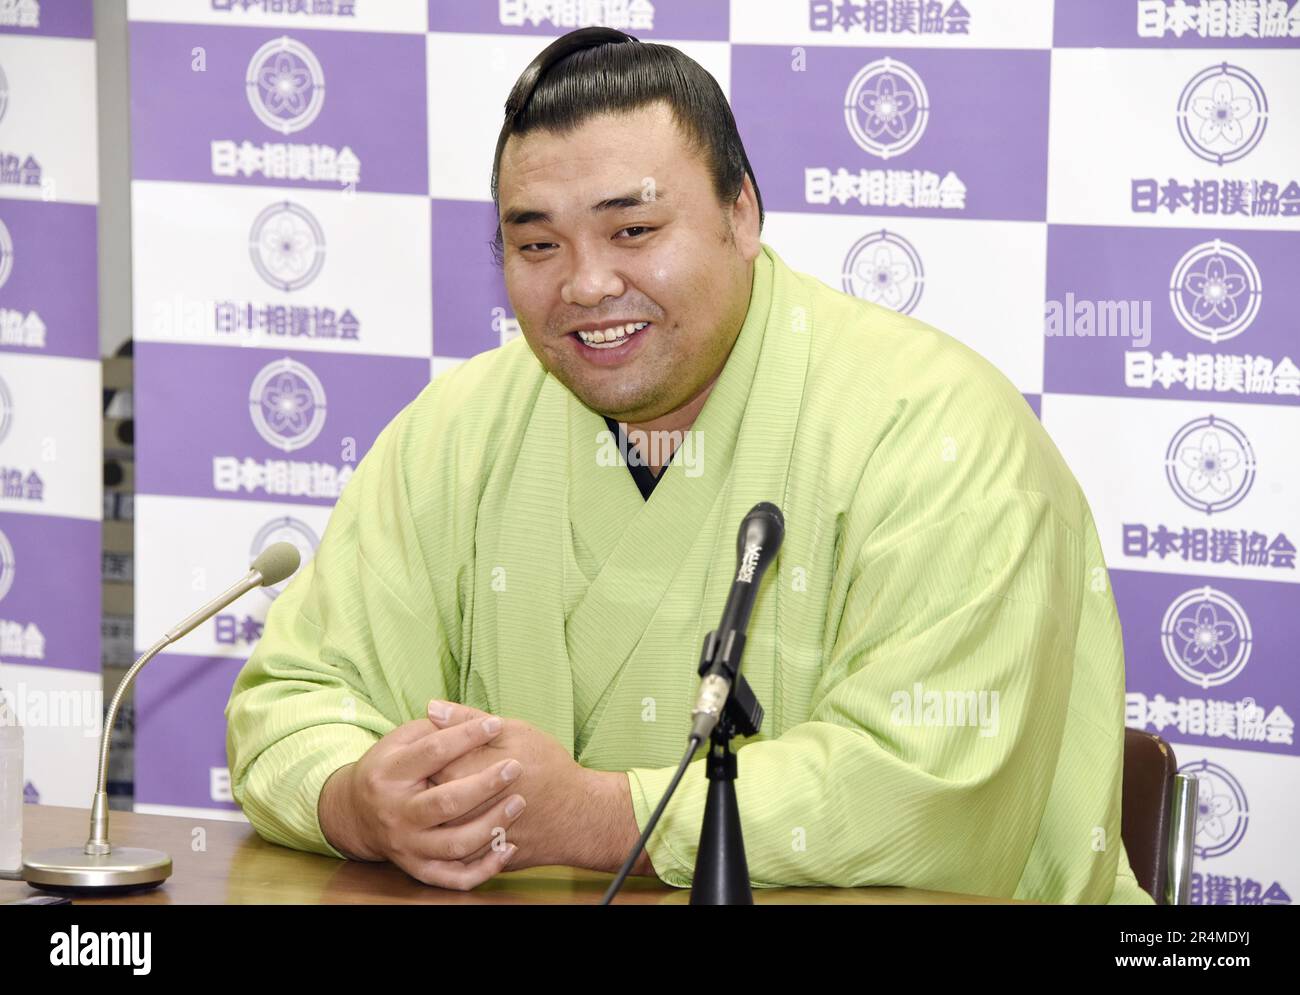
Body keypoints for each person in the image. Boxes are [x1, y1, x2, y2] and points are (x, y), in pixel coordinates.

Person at [226, 27, 1152, 903]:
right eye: (538, 244)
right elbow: (296, 696)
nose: (585, 285)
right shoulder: (459, 429)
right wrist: (359, 800)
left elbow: (932, 786)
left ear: (741, 213)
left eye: (632, 231)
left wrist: (600, 814)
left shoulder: (936, 431)